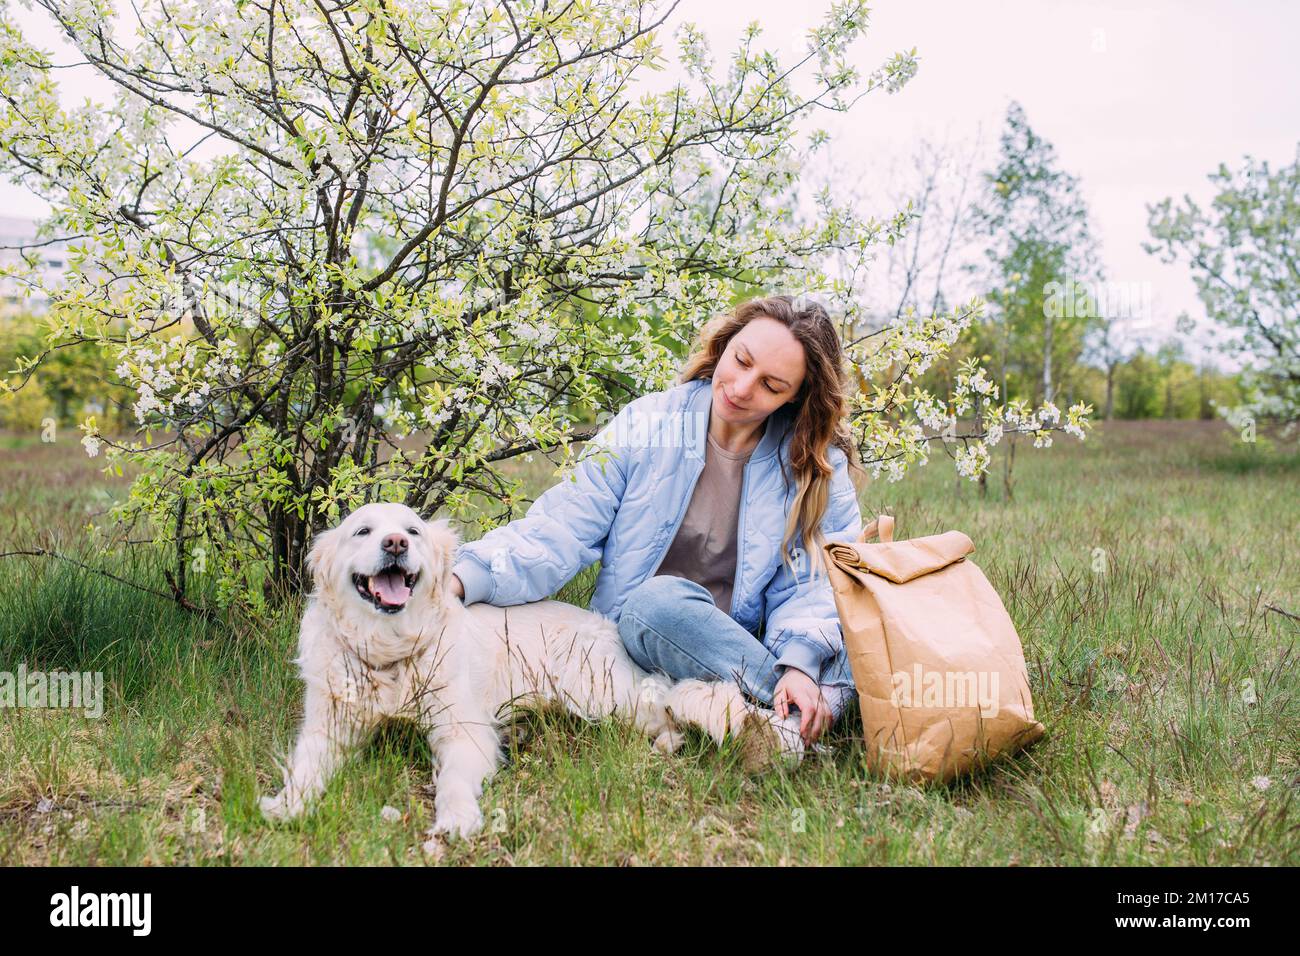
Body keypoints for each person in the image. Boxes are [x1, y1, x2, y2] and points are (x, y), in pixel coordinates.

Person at [450, 294, 865, 749]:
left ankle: (782, 714)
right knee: (654, 603)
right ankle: (796, 713)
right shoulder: (646, 422)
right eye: (741, 360)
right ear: (724, 345)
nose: (742, 387)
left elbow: (817, 581)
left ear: (797, 397)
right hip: (648, 634)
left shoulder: (816, 463)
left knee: (860, 621)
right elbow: (561, 527)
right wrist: (464, 578)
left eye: (771, 385)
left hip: (745, 646)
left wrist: (801, 661)